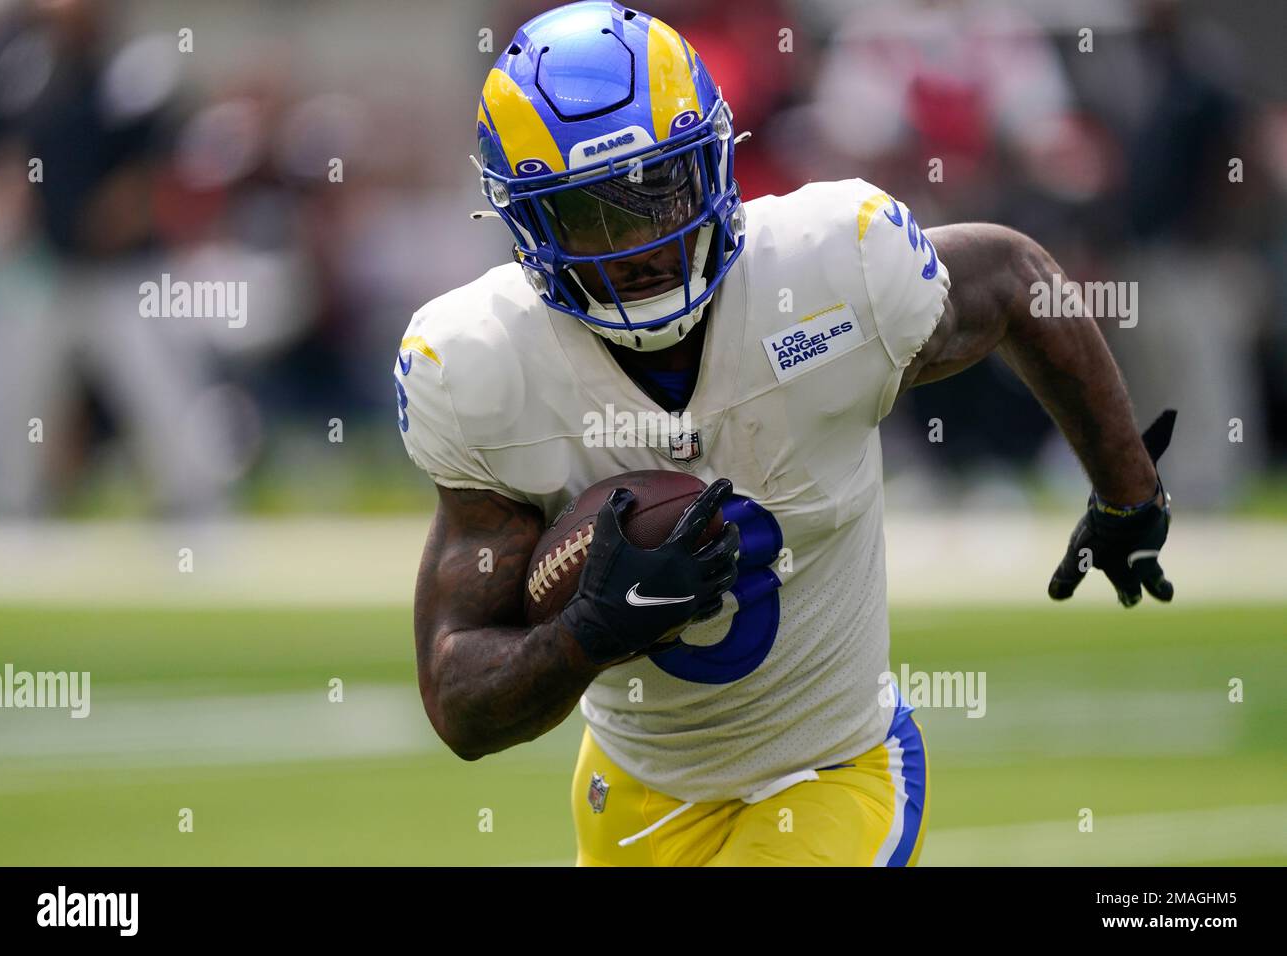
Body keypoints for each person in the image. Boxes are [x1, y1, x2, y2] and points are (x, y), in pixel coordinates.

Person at [394, 0, 1174, 866]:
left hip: (831, 768)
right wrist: (590, 631)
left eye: (660, 188)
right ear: (526, 225)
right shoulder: (479, 363)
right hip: (634, 795)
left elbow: (1020, 278)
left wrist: (1128, 492)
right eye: (590, 215)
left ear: (714, 163)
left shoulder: (833, 269)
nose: (643, 243)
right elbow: (458, 700)